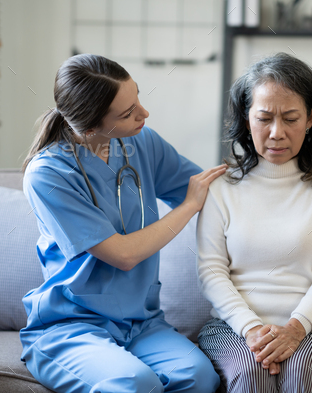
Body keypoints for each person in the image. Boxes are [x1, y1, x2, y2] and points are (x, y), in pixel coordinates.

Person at [19, 54, 223, 393]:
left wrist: (306, 174)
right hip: (72, 326)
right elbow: (123, 254)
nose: (144, 114)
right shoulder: (48, 175)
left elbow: (213, 190)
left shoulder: (141, 142)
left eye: (138, 99)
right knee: (135, 384)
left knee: (199, 378)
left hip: (140, 322)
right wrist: (188, 207)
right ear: (89, 126)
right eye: (128, 114)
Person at [196, 52, 312, 392]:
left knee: (301, 374)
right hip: (233, 327)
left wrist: (295, 329)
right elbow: (211, 271)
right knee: (251, 371)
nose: (276, 133)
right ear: (246, 119)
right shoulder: (219, 187)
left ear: (311, 118)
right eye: (264, 118)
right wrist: (253, 329)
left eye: (290, 118)